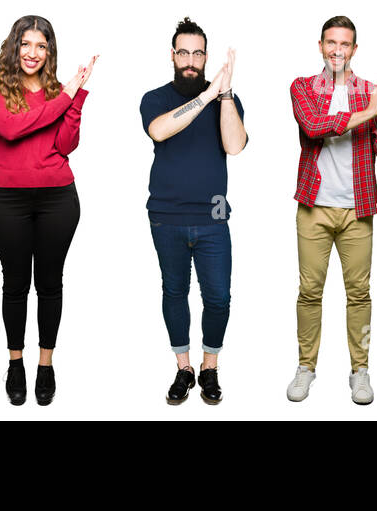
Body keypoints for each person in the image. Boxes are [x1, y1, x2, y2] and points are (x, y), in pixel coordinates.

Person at [0, 15, 95, 406]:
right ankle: (16, 363)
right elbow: (10, 129)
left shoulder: (58, 90)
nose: (32, 53)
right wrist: (65, 98)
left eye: (41, 46)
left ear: (49, 52)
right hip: (8, 201)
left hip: (57, 198)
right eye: (26, 44)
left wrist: (75, 98)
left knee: (49, 283)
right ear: (14, 46)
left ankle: (46, 364)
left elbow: (64, 144)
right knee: (15, 284)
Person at [285, 15, 377, 405]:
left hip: (357, 210)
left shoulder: (371, 90)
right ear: (320, 46)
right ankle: (305, 367)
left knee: (359, 294)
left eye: (345, 44)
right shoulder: (303, 87)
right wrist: (370, 109)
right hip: (314, 208)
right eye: (331, 43)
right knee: (309, 292)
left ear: (354, 49)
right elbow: (316, 127)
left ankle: (360, 370)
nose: (337, 50)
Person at [139, 17, 246, 406]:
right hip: (165, 217)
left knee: (218, 297)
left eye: (197, 53)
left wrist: (226, 93)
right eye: (182, 52)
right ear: (172, 55)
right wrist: (207, 95)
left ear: (206, 57)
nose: (190, 60)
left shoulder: (225, 100)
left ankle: (209, 368)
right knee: (175, 291)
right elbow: (160, 131)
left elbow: (234, 146)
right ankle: (184, 368)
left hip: (214, 218)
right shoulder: (155, 98)